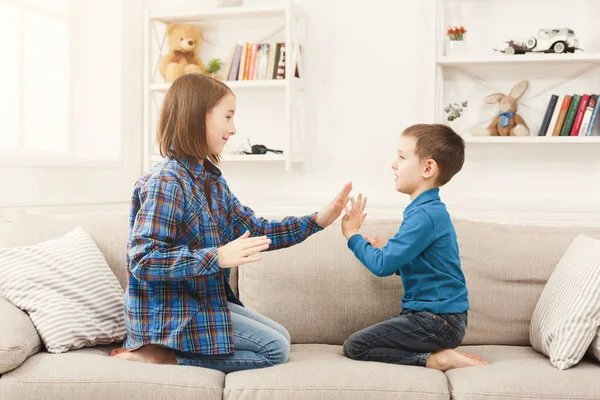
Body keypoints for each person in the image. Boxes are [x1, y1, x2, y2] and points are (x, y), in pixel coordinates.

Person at [111, 73, 352, 373]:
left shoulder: (210, 180)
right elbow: (143, 259)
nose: (234, 129)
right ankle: (162, 354)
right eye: (227, 117)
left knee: (283, 338)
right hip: (172, 312)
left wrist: (318, 220)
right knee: (274, 350)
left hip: (199, 303)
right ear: (198, 116)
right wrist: (217, 256)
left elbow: (255, 229)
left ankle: (165, 350)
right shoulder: (166, 182)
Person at [340, 124, 487, 371]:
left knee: (356, 346)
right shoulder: (427, 211)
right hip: (436, 320)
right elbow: (424, 265)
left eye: (401, 156)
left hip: (438, 322)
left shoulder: (424, 215)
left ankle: (437, 359)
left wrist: (352, 234)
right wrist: (387, 252)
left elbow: (382, 266)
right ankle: (437, 355)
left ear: (428, 168)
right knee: (362, 343)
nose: (393, 164)